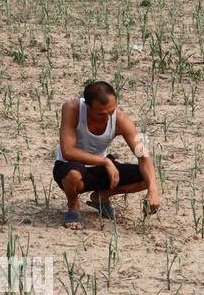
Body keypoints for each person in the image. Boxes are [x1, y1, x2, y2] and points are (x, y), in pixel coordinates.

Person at [52, 81, 160, 229]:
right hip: (71, 165)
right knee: (73, 174)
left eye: (111, 111)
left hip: (99, 167)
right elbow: (68, 151)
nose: (108, 117)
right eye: (102, 114)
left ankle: (101, 198)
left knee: (146, 177)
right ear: (88, 107)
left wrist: (152, 190)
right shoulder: (72, 108)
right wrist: (106, 162)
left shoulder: (121, 119)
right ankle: (73, 205)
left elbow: (143, 156)